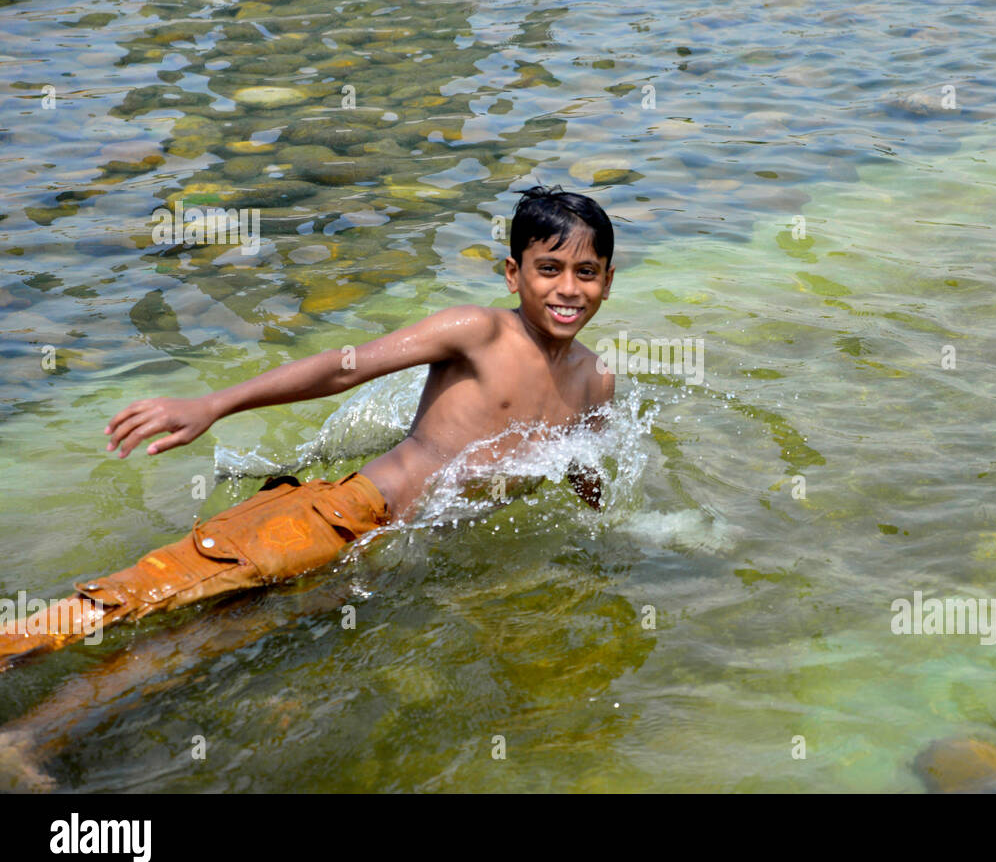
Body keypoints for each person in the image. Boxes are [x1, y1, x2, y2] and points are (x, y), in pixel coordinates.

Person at [0, 185, 617, 671]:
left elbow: (583, 459)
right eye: (549, 268)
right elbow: (341, 369)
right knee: (150, 592)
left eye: (586, 272)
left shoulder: (595, 380)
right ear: (514, 274)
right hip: (347, 515)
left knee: (192, 647)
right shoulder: (479, 332)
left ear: (608, 281)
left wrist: (605, 533)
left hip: (382, 561)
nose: (568, 288)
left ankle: (28, 736)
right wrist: (213, 404)